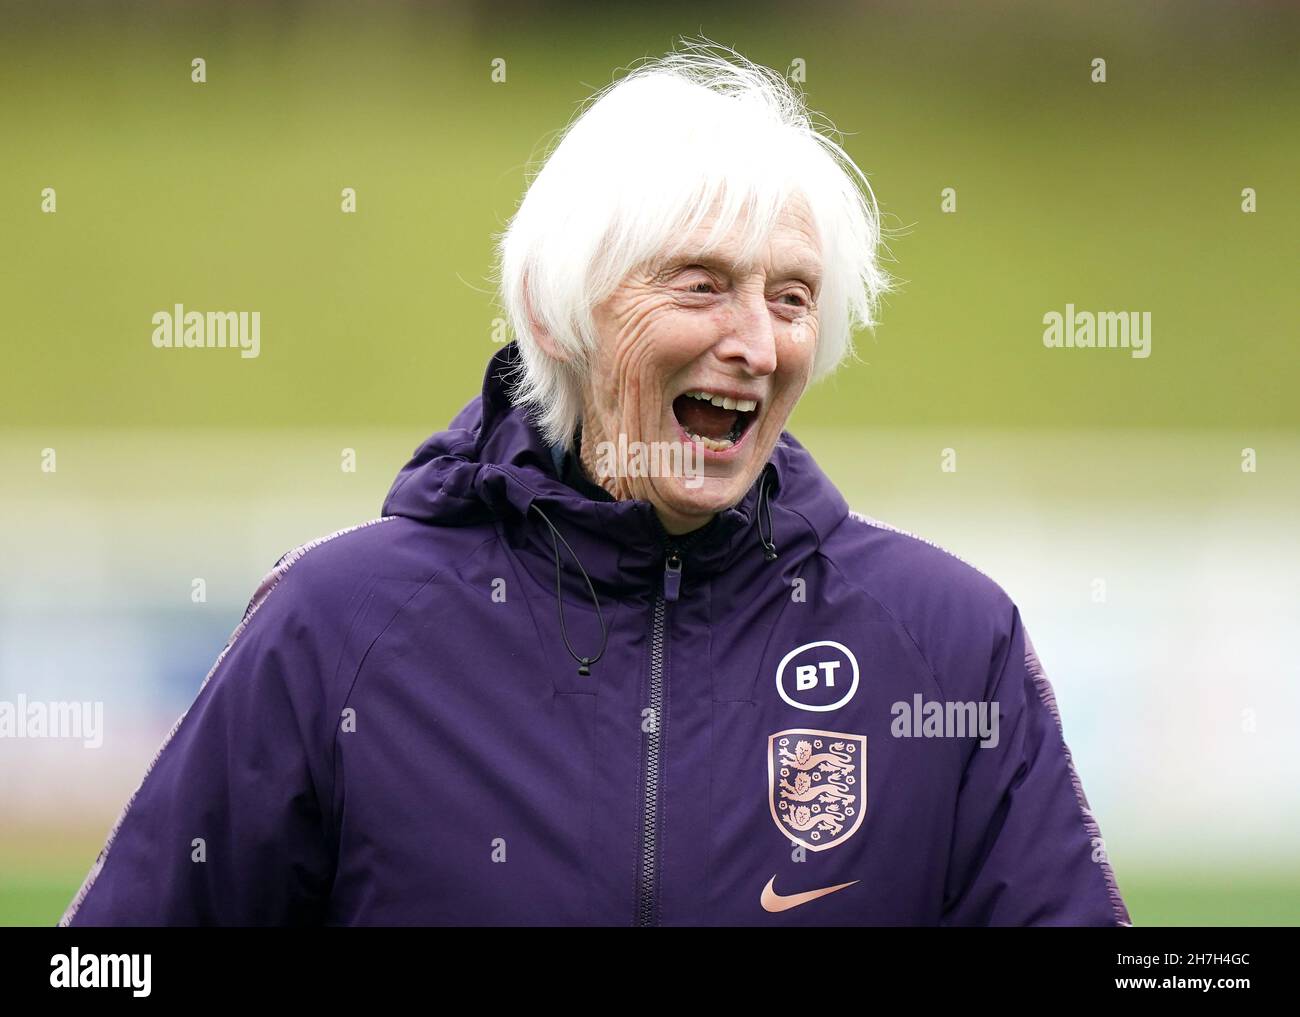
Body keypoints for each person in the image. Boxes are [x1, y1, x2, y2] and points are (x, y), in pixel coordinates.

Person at [62, 42, 1128, 926]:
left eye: (793, 299)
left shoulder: (947, 641)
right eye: (701, 284)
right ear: (552, 312)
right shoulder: (337, 629)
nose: (756, 343)